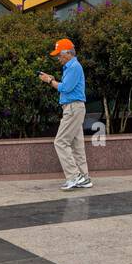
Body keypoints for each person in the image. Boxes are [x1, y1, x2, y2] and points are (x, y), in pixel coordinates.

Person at [39, 38, 92, 190]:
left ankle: (74, 177)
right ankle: (84, 178)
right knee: (77, 145)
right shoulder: (72, 66)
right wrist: (52, 79)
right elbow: (67, 86)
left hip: (73, 109)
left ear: (68, 53)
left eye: (59, 55)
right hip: (75, 108)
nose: (58, 58)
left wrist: (49, 81)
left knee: (60, 142)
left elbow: (66, 88)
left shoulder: (74, 67)